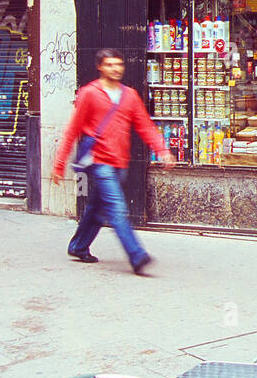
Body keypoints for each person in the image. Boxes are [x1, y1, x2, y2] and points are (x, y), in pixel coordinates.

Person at [52, 49, 174, 274]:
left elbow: (144, 125)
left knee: (97, 209)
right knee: (117, 208)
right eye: (110, 64)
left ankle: (78, 246)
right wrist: (59, 164)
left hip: (120, 162)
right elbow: (73, 130)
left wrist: (162, 150)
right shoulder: (89, 93)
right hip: (100, 161)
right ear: (100, 67)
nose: (115, 68)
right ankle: (137, 256)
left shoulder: (130, 95)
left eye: (118, 64)